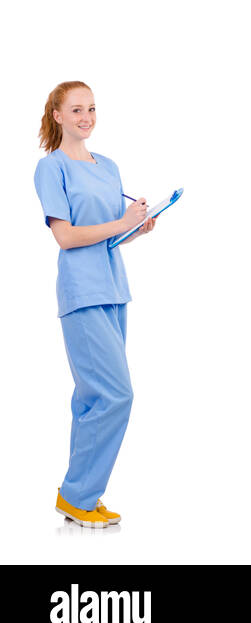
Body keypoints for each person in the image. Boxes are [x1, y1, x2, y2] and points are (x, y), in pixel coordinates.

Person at [35, 81, 158, 528]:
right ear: (58, 116)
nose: (86, 117)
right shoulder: (51, 168)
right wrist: (117, 223)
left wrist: (135, 228)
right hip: (82, 291)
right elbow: (66, 236)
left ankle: (81, 497)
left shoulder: (108, 166)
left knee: (93, 397)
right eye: (76, 110)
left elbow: (110, 234)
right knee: (116, 394)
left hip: (113, 288)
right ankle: (77, 494)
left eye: (91, 109)